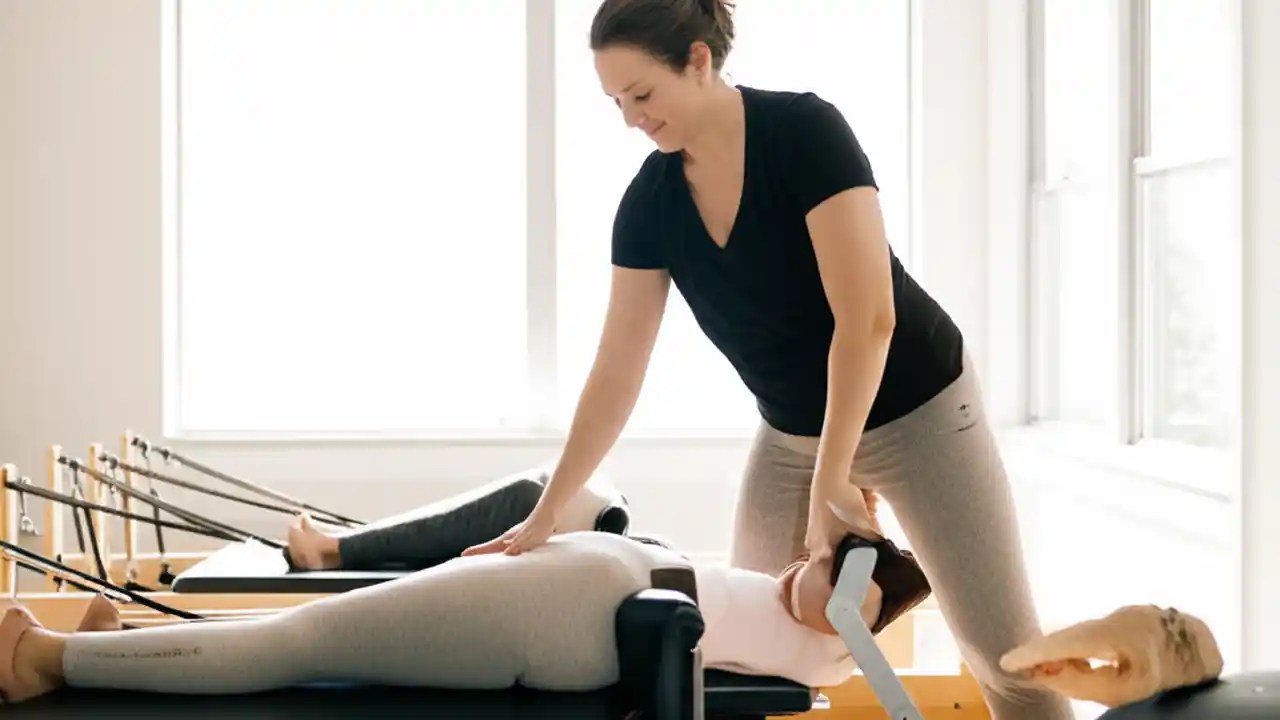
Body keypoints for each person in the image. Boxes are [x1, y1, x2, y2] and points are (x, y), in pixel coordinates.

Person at [461, 2, 1072, 719]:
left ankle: (891, 572)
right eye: (616, 102)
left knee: (1008, 660)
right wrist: (549, 509)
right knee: (750, 652)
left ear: (697, 60)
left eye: (643, 95)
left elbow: (868, 319)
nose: (631, 118)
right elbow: (617, 369)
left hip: (918, 408)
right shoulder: (651, 205)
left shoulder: (805, 135)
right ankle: (864, 562)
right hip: (791, 431)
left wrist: (832, 481)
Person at [0, 528, 885, 705]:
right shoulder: (791, 602)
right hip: (565, 584)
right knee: (313, 632)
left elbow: (860, 632)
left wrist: (855, 582)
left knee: (297, 643)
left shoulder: (830, 653)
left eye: (831, 575)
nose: (806, 567)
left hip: (563, 614)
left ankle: (45, 662)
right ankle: (120, 649)